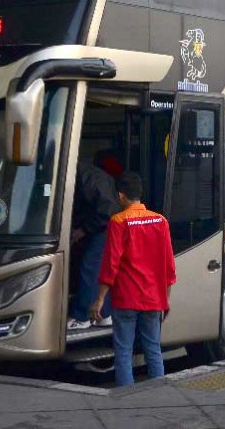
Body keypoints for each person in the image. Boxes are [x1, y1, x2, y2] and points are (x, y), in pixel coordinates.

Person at [91, 172, 176, 387]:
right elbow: (168, 266)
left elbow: (111, 263)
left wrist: (100, 298)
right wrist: (165, 300)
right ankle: (158, 393)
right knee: (153, 349)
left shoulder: (119, 221)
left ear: (121, 196)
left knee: (123, 351)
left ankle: (126, 399)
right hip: (153, 299)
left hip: (126, 299)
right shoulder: (161, 221)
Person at [66, 158, 120, 330]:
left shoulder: (88, 177)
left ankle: (82, 316)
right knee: (99, 269)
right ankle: (104, 314)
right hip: (101, 224)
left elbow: (107, 209)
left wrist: (83, 229)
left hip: (104, 226)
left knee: (90, 268)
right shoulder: (86, 174)